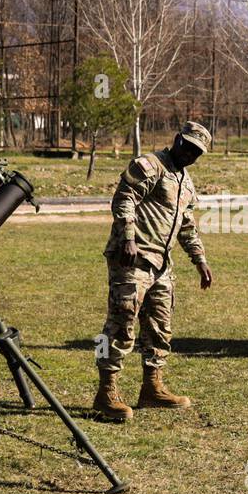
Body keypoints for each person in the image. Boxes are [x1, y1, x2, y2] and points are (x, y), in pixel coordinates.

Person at [92, 121, 214, 422]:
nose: (190, 154)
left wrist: (199, 260)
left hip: (162, 264)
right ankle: (105, 392)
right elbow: (124, 199)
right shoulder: (150, 165)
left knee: (160, 327)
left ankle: (152, 388)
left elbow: (186, 226)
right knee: (120, 324)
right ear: (176, 140)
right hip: (131, 259)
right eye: (187, 146)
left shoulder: (185, 182)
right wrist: (129, 236)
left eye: (197, 152)